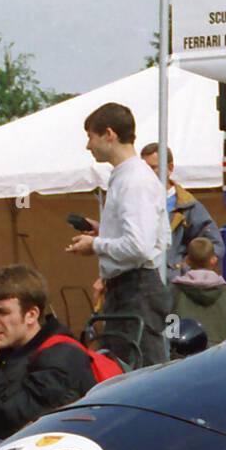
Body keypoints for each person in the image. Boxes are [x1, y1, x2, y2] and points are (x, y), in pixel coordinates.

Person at [67, 102, 171, 367]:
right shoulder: (128, 176)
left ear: (109, 134)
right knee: (127, 370)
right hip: (130, 290)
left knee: (142, 375)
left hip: (136, 291)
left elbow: (139, 247)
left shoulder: (134, 180)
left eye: (91, 136)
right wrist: (104, 231)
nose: (88, 146)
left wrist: (96, 245)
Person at [0, 265, 99, 439]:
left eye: (2, 312)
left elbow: (7, 421)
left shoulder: (62, 359)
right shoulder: (15, 347)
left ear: (31, 315)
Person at [139, 142, 225, 279]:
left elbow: (214, 246)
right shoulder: (136, 203)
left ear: (170, 167)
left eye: (153, 167)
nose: (147, 174)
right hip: (143, 286)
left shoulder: (188, 207)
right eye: (144, 169)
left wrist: (184, 268)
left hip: (176, 288)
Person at [171, 236, 226, 346]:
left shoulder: (173, 292)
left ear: (187, 260)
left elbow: (170, 327)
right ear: (214, 260)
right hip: (218, 355)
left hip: (183, 356)